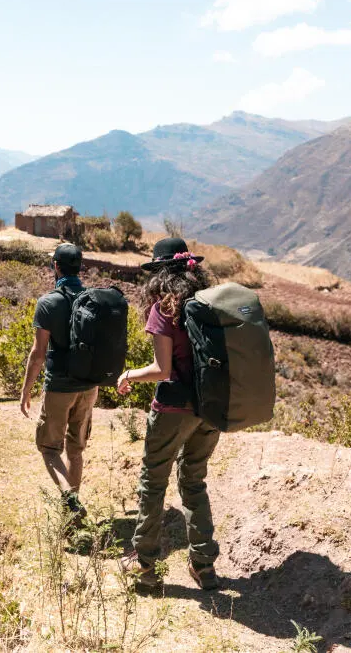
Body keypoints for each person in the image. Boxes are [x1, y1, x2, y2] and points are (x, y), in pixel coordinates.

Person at [117, 237, 221, 592]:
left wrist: (129, 374)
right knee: (194, 480)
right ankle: (204, 565)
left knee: (153, 482)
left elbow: (162, 370)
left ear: (159, 274)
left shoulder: (163, 308)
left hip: (174, 407)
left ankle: (144, 561)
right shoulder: (209, 305)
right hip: (211, 407)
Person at [18, 243, 97, 522]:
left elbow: (38, 354)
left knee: (50, 449)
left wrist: (26, 390)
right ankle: (71, 515)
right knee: (76, 450)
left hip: (60, 387)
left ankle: (71, 500)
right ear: (80, 267)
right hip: (89, 387)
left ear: (55, 266)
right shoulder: (93, 299)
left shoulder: (48, 302)